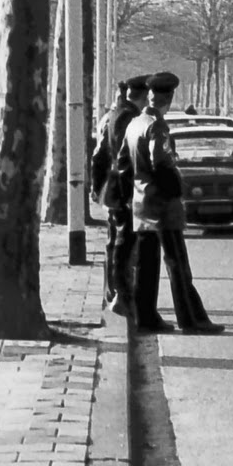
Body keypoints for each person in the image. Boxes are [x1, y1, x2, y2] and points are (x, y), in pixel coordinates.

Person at [129, 71, 223, 335]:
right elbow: (161, 162)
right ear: (168, 97)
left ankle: (145, 316)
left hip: (141, 202)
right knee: (177, 263)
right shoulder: (157, 126)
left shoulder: (135, 122)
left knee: (146, 266)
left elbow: (128, 164)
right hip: (162, 204)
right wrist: (176, 190)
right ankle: (191, 318)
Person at [91, 75, 149, 316]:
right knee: (123, 245)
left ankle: (115, 292)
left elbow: (100, 155)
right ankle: (120, 295)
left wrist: (97, 186)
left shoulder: (117, 114)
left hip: (114, 188)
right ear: (144, 96)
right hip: (123, 188)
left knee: (116, 242)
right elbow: (127, 157)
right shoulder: (128, 117)